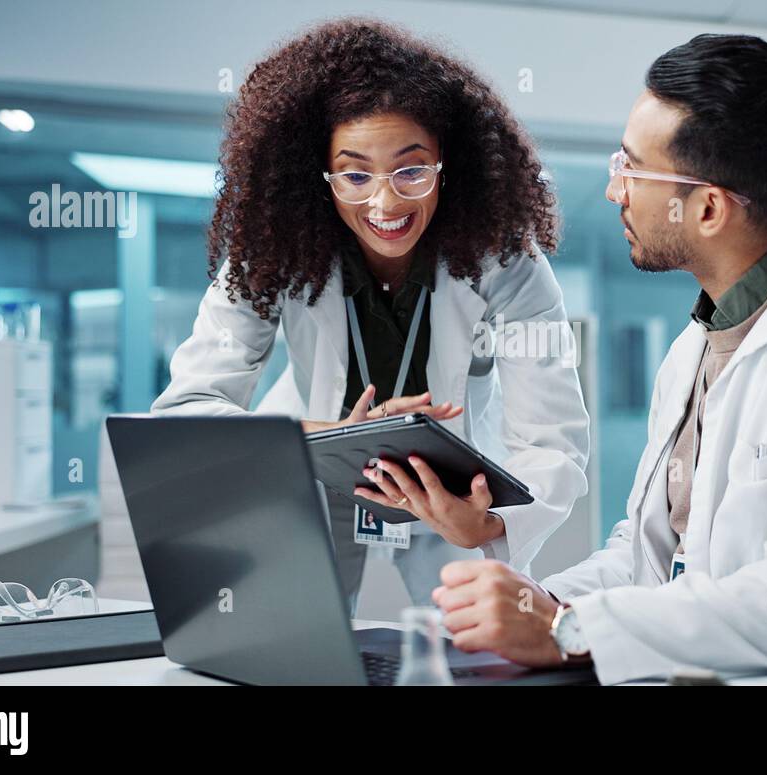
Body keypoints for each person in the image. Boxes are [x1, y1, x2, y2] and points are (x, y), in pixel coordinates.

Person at [432, 33, 767, 684]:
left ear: (708, 207)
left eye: (631, 168)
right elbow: (646, 559)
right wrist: (523, 608)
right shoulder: (696, 345)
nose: (613, 191)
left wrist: (566, 630)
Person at [153, 19, 589, 611]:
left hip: (450, 482)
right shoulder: (271, 252)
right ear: (318, 178)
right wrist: (330, 439)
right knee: (291, 641)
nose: (385, 203)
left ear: (448, 165)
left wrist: (490, 525)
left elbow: (551, 436)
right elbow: (187, 415)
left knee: (468, 649)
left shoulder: (506, 262)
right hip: (309, 468)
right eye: (355, 175)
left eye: (411, 170)